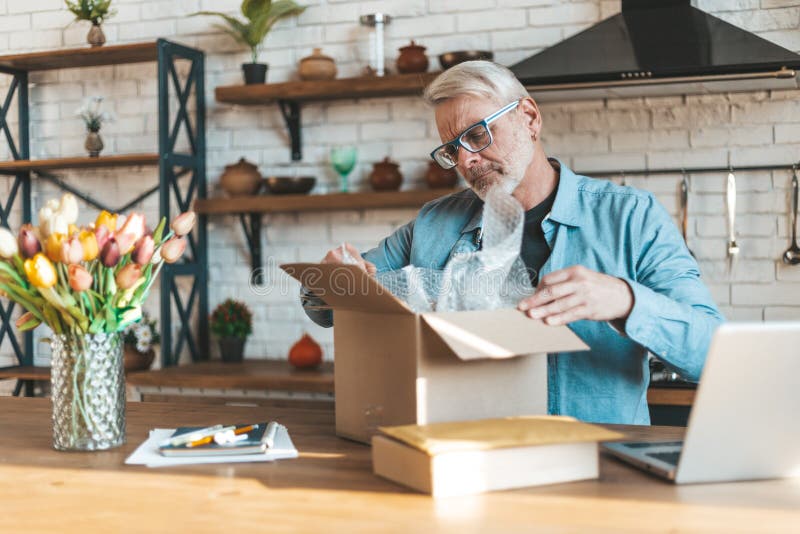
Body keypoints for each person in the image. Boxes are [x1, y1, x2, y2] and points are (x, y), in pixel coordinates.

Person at [302, 61, 724, 425]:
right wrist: (334, 280)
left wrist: (627, 300)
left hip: (601, 463)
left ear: (529, 118)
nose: (466, 160)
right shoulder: (434, 224)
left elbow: (714, 354)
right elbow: (326, 308)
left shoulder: (631, 217)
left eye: (478, 135)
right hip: (470, 458)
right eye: (452, 149)